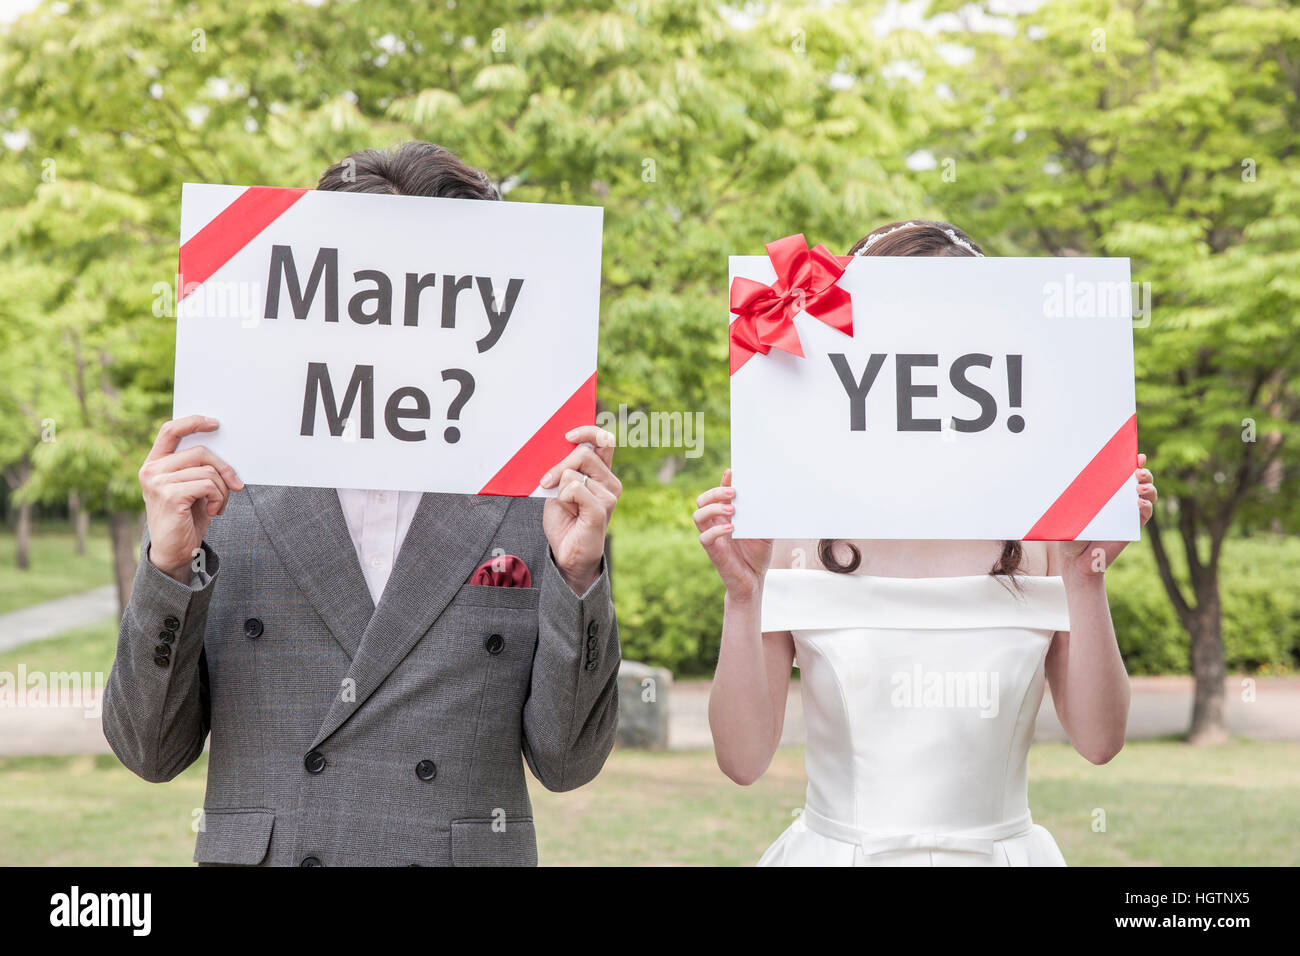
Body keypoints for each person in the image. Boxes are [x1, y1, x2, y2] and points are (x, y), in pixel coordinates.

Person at [103, 142, 623, 867]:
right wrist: (166, 564)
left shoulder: (536, 488)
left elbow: (568, 763)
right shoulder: (228, 479)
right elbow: (149, 752)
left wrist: (577, 578)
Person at [695, 219, 1158, 866]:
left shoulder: (1043, 531)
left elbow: (1101, 738)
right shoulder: (792, 528)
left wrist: (1089, 571)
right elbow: (743, 760)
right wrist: (742, 597)